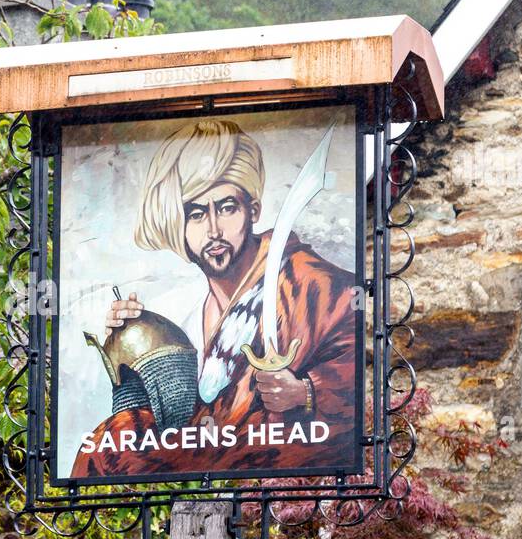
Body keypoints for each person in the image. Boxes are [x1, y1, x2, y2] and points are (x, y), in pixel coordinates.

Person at [72, 118, 358, 478]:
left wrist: (305, 393)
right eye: (196, 214)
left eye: (226, 208)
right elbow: (185, 426)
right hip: (211, 473)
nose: (213, 230)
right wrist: (132, 345)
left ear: (252, 210)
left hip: (279, 475)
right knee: (105, 447)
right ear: (180, 225)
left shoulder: (312, 284)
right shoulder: (187, 312)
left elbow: (356, 371)